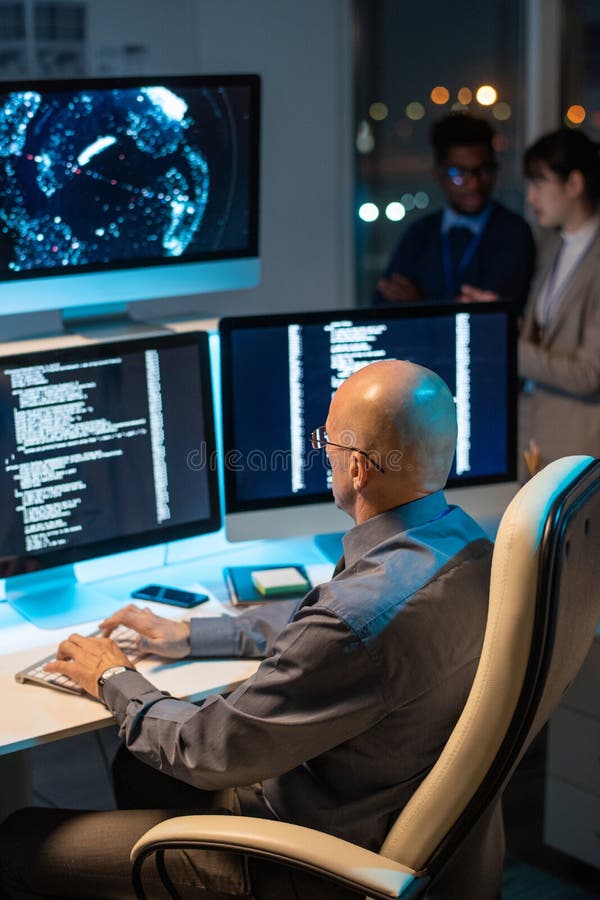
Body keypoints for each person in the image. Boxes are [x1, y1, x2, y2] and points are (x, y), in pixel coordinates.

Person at [0, 360, 500, 900]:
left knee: (16, 844)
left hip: (304, 854)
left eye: (324, 440)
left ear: (357, 469)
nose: (321, 452)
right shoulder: (472, 549)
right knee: (137, 766)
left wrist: (113, 676)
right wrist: (195, 635)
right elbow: (334, 635)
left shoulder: (354, 618)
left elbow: (204, 749)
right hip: (382, 801)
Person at [374, 112, 536, 309]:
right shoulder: (420, 234)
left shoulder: (513, 232)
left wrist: (418, 304)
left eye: (484, 171)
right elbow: (385, 301)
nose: (474, 184)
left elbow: (494, 315)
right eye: (460, 174)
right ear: (438, 174)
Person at [519, 128, 600, 480]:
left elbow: (589, 375)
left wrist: (512, 349)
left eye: (539, 183)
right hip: (538, 440)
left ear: (575, 184)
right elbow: (546, 335)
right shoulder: (554, 245)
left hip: (580, 449)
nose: (530, 196)